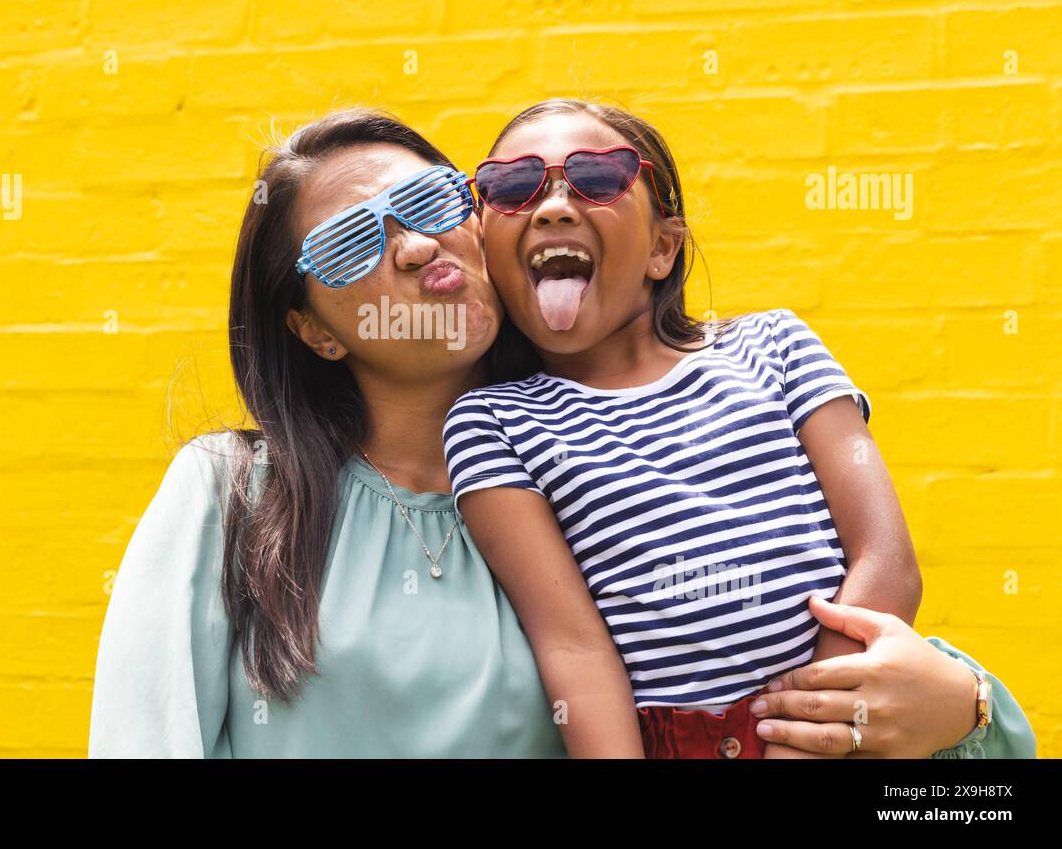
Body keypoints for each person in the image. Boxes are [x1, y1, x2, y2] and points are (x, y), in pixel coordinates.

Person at [88, 107, 1033, 759]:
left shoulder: (594, 477)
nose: (413, 249)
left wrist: (965, 706)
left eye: (428, 206)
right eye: (349, 244)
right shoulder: (235, 494)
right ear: (313, 327)